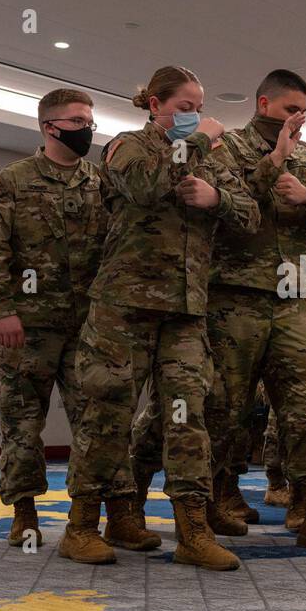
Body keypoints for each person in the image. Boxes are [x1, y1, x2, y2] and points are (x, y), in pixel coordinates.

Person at [64, 65, 257, 568]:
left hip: (186, 310)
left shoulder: (213, 160)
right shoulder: (126, 146)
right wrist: (194, 145)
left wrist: (218, 197)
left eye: (199, 109)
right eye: (184, 108)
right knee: (107, 414)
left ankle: (192, 531)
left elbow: (251, 215)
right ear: (155, 105)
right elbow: (147, 187)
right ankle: (82, 526)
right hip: (124, 305)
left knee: (187, 415)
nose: (195, 117)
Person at [203, 69, 306, 555]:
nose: (299, 118)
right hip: (235, 296)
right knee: (227, 407)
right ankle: (219, 494)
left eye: (305, 111)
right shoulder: (227, 148)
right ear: (264, 103)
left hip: (295, 298)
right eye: (291, 109)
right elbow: (230, 204)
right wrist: (273, 165)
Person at [0, 88, 108, 549]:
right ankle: (24, 512)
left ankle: (83, 517)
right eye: (76, 120)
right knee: (22, 423)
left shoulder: (101, 184)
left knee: (95, 421)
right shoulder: (11, 181)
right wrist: (2, 309)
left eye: (90, 119)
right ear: (50, 127)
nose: (87, 127)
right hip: (26, 329)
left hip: (86, 326)